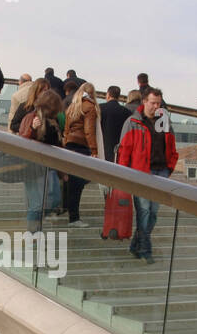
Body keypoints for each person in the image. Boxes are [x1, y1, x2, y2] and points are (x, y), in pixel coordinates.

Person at [116, 88, 179, 263]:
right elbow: (124, 150)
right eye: (153, 102)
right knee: (144, 211)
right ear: (144, 102)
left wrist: (169, 168)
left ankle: (136, 245)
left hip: (160, 173)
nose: (156, 106)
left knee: (153, 213)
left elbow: (173, 148)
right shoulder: (133, 121)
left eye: (158, 103)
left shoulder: (165, 123)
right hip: (140, 174)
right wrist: (123, 175)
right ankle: (145, 249)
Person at [11, 88, 65, 231]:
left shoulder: (52, 121)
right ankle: (33, 233)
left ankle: (36, 228)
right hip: (33, 166)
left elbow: (57, 145)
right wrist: (33, 129)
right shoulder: (33, 117)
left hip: (49, 166)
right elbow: (23, 141)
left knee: (54, 200)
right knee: (37, 203)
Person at [62, 82, 100, 227]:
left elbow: (66, 130)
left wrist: (66, 144)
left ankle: (72, 214)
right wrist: (94, 150)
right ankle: (74, 218)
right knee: (78, 183)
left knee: (73, 183)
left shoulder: (73, 106)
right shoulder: (90, 107)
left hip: (70, 145)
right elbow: (89, 131)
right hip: (82, 147)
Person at [99, 86, 131, 163]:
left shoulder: (100, 108)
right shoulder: (126, 112)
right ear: (118, 96)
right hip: (117, 150)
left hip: (102, 146)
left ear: (108, 95)